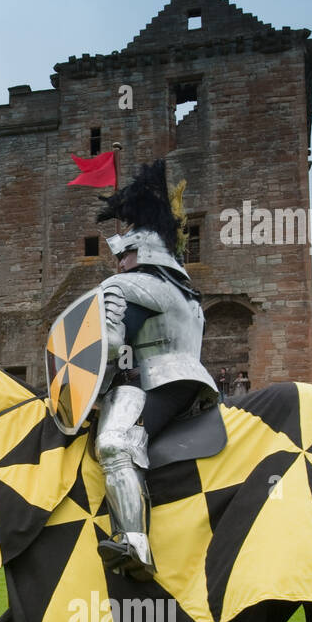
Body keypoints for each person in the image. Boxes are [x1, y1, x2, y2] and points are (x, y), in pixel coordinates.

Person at [93, 161, 219, 581]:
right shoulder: (188, 297)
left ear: (139, 252)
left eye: (121, 254)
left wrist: (84, 394)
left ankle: (135, 542)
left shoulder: (124, 287)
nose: (117, 264)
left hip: (149, 381)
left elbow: (108, 348)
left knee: (114, 444)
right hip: (192, 384)